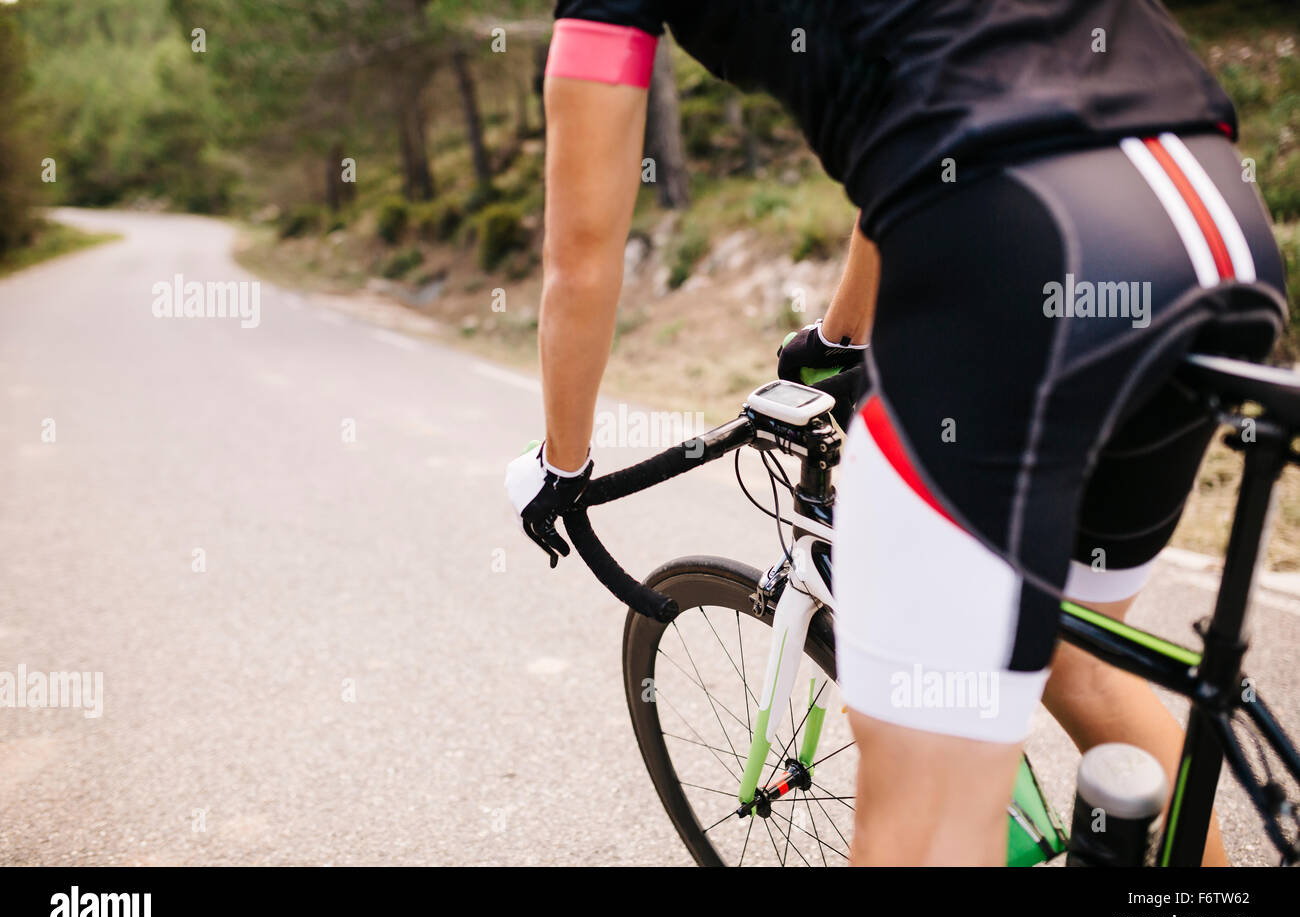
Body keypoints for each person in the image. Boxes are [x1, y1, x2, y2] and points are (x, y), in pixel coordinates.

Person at [505, 1, 1289, 865]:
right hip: (1218, 223)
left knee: (923, 822)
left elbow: (580, 253)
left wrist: (563, 464)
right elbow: (929, 138)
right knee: (1076, 654)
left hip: (1022, 241)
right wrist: (839, 342)